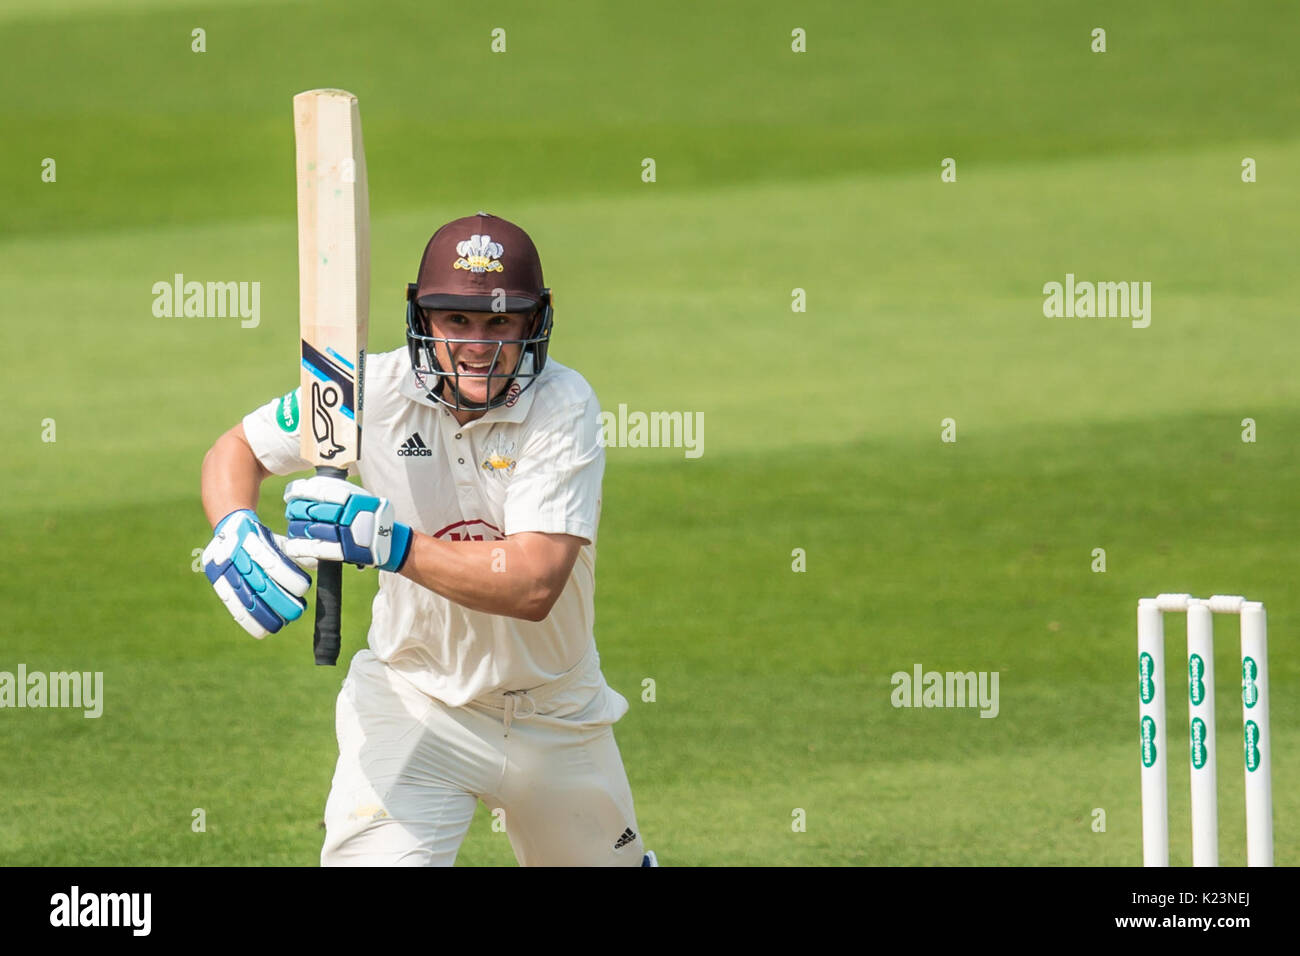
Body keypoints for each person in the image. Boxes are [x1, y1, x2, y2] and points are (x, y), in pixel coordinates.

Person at [199, 212, 656, 867]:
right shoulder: (361, 389)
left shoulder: (564, 405)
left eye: (500, 322)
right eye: (457, 321)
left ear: (535, 322)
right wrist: (234, 527)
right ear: (422, 318)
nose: (478, 346)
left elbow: (533, 583)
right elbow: (238, 449)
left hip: (556, 712)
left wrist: (390, 544)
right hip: (416, 703)